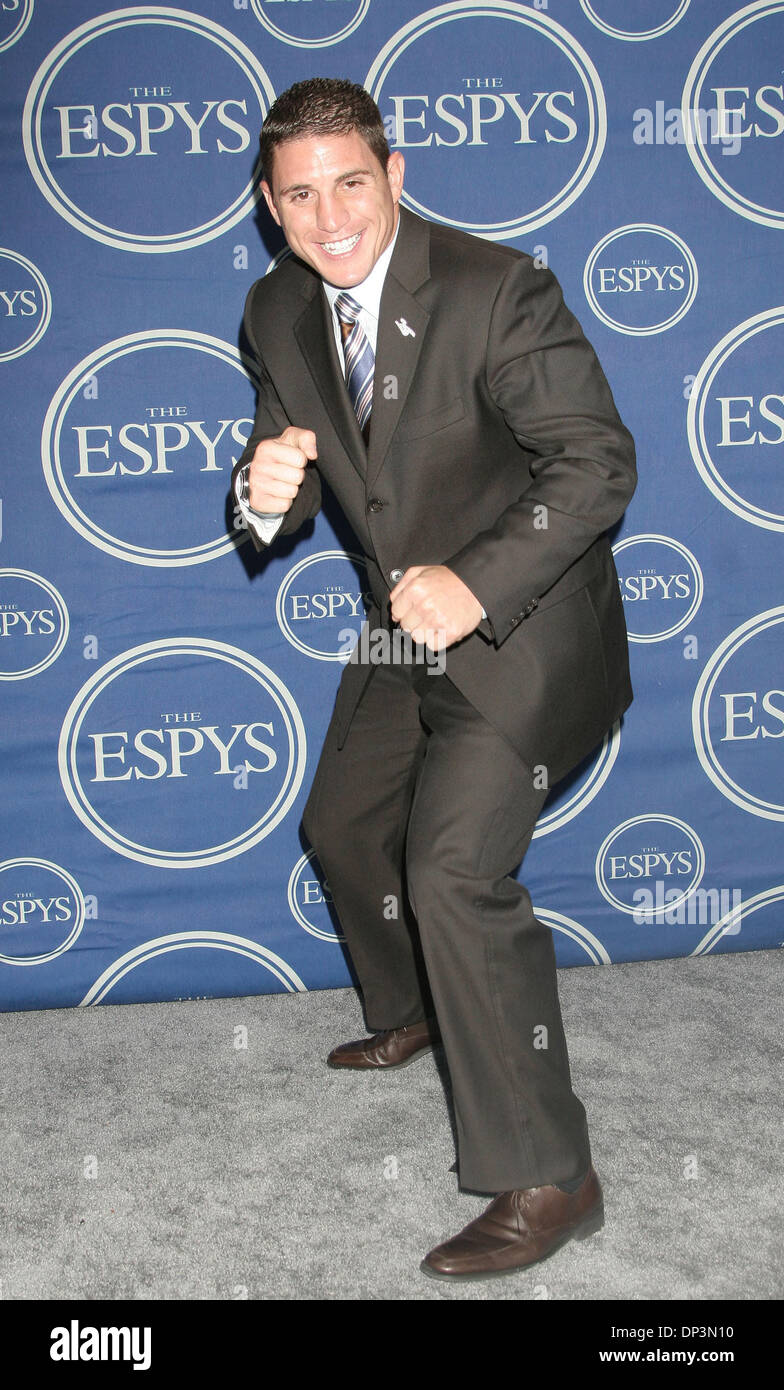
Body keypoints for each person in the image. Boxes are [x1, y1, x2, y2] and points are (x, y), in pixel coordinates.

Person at [232, 78, 637, 1281]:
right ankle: (420, 1011)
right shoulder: (273, 308)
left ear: (393, 176)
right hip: (403, 622)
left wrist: (476, 576)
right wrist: (266, 492)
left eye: (349, 182)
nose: (329, 214)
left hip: (524, 626)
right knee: (342, 827)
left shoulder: (492, 288)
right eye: (299, 194)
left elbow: (595, 460)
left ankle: (552, 1173)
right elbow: (302, 465)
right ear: (271, 206)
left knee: (450, 869)